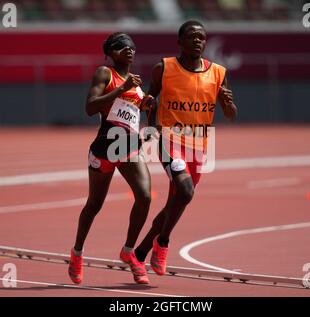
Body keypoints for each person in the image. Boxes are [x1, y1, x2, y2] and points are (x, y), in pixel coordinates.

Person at [134, 20, 238, 275]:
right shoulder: (164, 67)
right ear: (180, 42)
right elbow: (150, 100)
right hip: (170, 140)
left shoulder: (218, 72)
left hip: (200, 145)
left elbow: (231, 114)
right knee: (185, 190)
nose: (198, 41)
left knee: (177, 200)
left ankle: (140, 253)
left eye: (202, 37)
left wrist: (227, 104)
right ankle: (164, 242)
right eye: (192, 37)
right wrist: (151, 125)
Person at [68, 32, 153, 285]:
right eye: (120, 46)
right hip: (104, 148)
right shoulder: (105, 73)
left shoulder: (136, 84)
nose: (127, 49)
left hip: (128, 148)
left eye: (131, 46)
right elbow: (90, 107)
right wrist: (120, 90)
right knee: (94, 205)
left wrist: (145, 104)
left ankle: (129, 252)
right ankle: (77, 253)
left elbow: (132, 114)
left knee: (145, 196)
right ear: (110, 53)